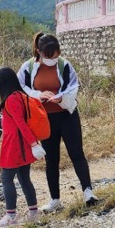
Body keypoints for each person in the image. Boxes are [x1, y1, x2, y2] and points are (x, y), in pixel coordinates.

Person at [17, 33, 97, 211]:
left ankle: (88, 192)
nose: (53, 59)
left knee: (77, 153)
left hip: (67, 115)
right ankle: (55, 200)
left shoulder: (64, 64)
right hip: (45, 119)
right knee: (51, 160)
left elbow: (73, 87)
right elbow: (21, 88)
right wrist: (38, 95)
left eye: (56, 55)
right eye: (48, 56)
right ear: (39, 52)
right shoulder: (28, 68)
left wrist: (60, 98)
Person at [0, 66, 48, 227]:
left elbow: (21, 124)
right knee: (23, 178)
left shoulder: (11, 99)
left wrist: (34, 144)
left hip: (15, 144)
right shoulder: (21, 95)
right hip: (23, 144)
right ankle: (33, 212)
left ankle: (11, 216)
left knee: (6, 178)